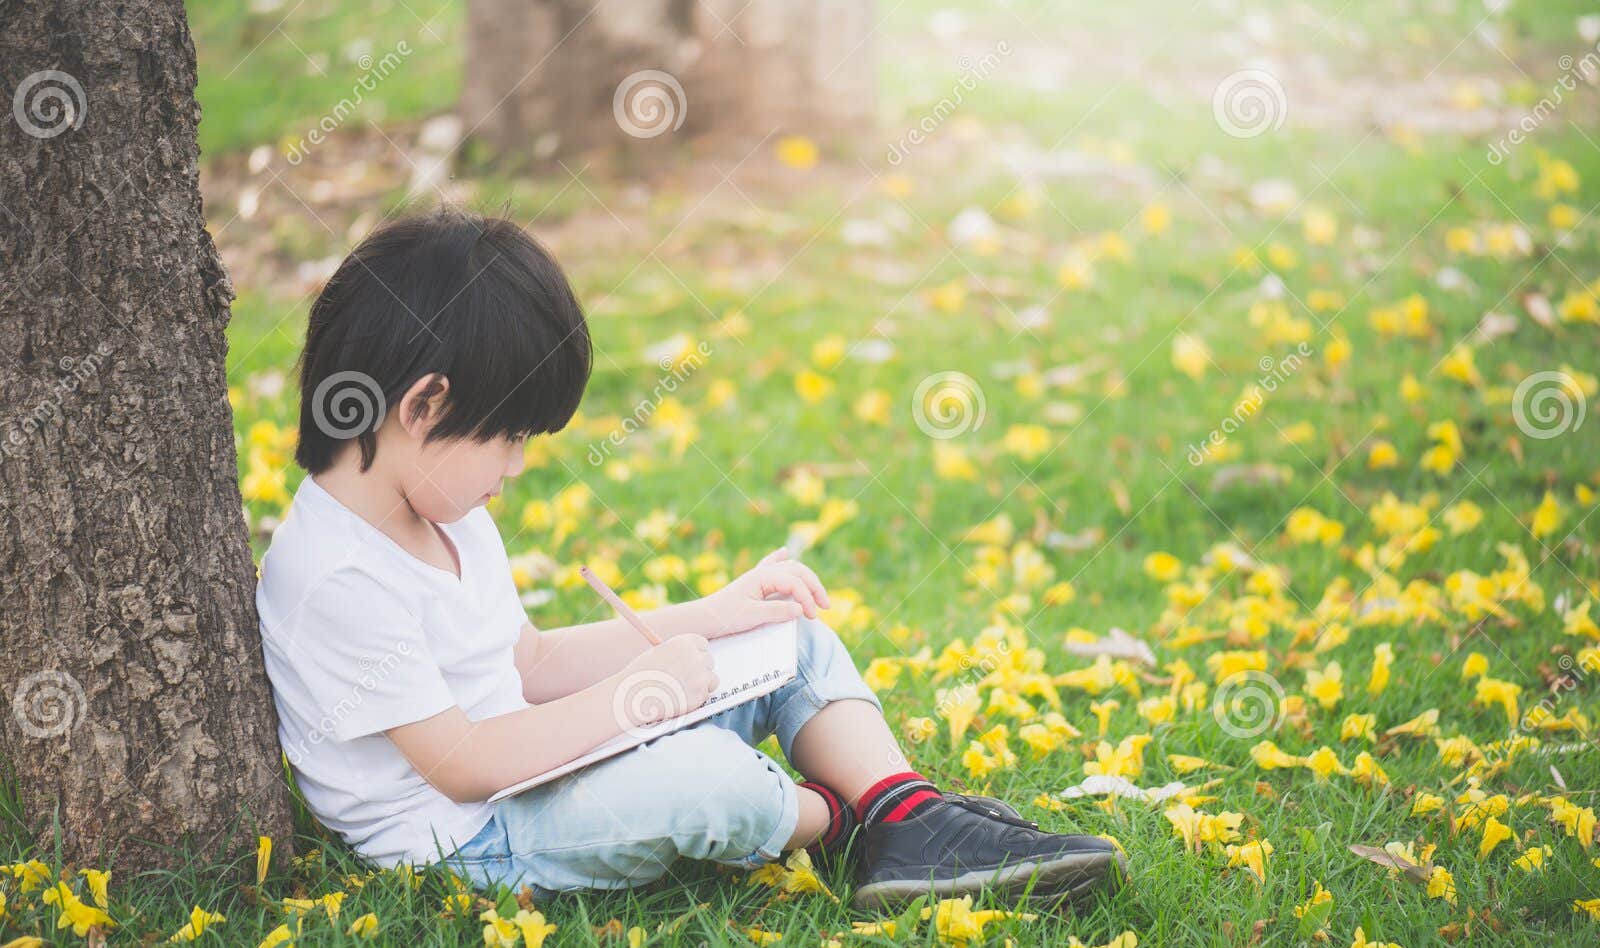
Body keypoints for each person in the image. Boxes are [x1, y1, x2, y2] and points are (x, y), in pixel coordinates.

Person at [255, 207, 1126, 911]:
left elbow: (531, 662)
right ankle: (853, 825)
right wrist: (641, 699)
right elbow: (463, 764)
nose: (515, 467)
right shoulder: (339, 575)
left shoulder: (441, 508)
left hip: (542, 759)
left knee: (793, 642)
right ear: (424, 405)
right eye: (509, 436)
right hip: (476, 832)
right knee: (714, 783)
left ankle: (912, 817)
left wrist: (716, 615)